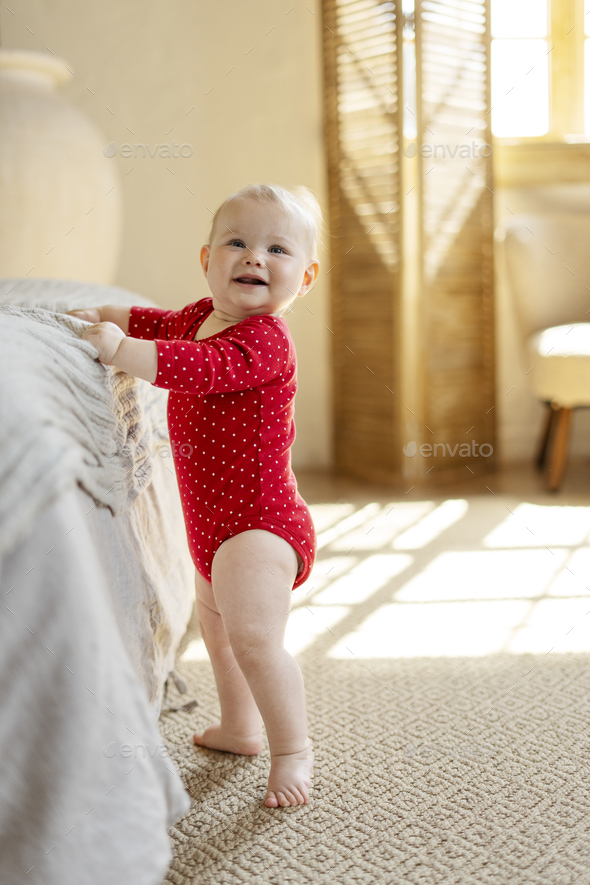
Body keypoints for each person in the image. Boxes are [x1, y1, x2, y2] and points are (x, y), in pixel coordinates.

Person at [68, 183, 321, 808]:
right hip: (211, 525)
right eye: (236, 242)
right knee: (216, 627)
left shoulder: (264, 340)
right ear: (206, 259)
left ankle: (294, 750)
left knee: (256, 639)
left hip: (261, 523)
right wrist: (95, 315)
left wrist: (121, 353)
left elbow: (195, 369)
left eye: (277, 249)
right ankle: (241, 727)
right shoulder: (198, 316)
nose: (254, 257)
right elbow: (151, 323)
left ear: (306, 277)